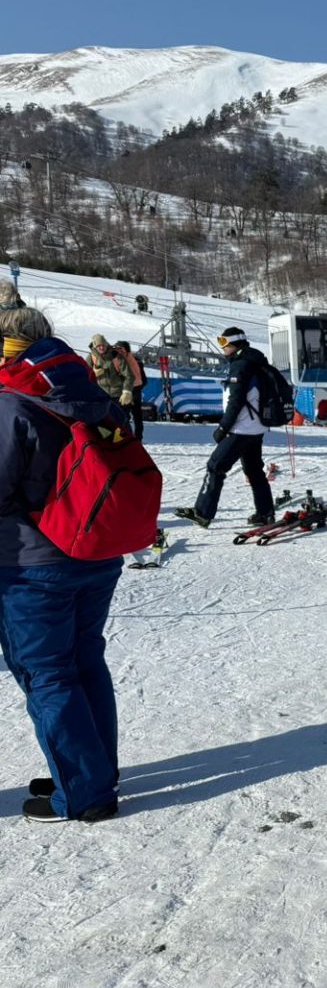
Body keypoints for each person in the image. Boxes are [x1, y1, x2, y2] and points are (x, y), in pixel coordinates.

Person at [0, 301, 125, 822]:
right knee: (85, 660)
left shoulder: (11, 403)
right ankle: (94, 771)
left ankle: (84, 794)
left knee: (49, 675)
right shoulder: (87, 391)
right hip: (98, 551)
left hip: (33, 565)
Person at [173, 327, 277, 529]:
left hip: (241, 428)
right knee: (254, 470)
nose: (222, 348)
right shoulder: (256, 361)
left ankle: (203, 513)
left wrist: (223, 428)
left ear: (235, 343)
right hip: (256, 427)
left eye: (224, 343)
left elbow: (235, 401)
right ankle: (266, 513)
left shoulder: (241, 365)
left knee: (215, 466)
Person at [114, 340, 146, 439]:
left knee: (128, 416)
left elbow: (143, 380)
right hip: (128, 392)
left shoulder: (134, 363)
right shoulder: (116, 361)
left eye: (121, 349)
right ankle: (128, 437)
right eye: (118, 349)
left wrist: (132, 392)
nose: (120, 351)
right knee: (129, 416)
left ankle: (130, 437)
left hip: (131, 392)